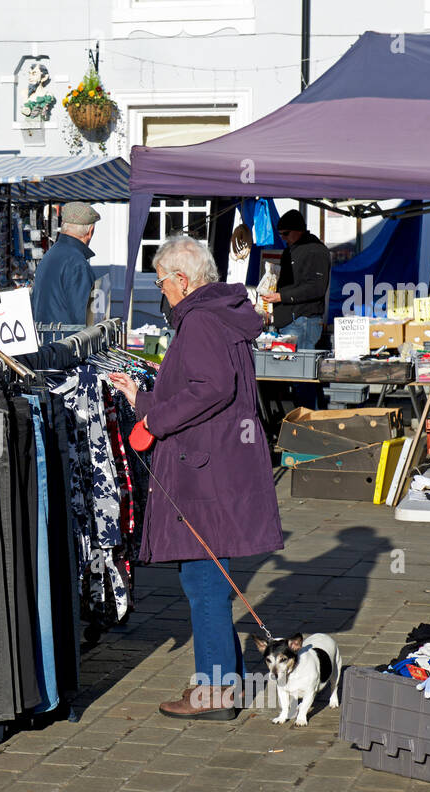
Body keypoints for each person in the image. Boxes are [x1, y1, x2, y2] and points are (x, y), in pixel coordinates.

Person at [110, 235, 283, 721]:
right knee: (205, 579)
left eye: (162, 281)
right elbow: (199, 388)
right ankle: (221, 681)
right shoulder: (214, 314)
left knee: (204, 582)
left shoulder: (201, 319)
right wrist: (142, 400)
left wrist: (151, 423)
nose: (161, 290)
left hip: (204, 471)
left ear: (182, 280)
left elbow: (210, 388)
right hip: (213, 465)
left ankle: (215, 692)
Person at [261, 209, 331, 348]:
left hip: (302, 320)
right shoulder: (290, 250)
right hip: (290, 320)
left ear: (298, 230)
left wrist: (282, 296)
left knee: (299, 367)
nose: (283, 238)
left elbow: (316, 287)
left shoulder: (315, 250)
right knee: (288, 366)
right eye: (280, 234)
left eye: (286, 233)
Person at [30, 202, 100, 325]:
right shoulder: (77, 263)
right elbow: (86, 318)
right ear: (90, 231)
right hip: (66, 342)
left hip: (47, 340)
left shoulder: (50, 254)